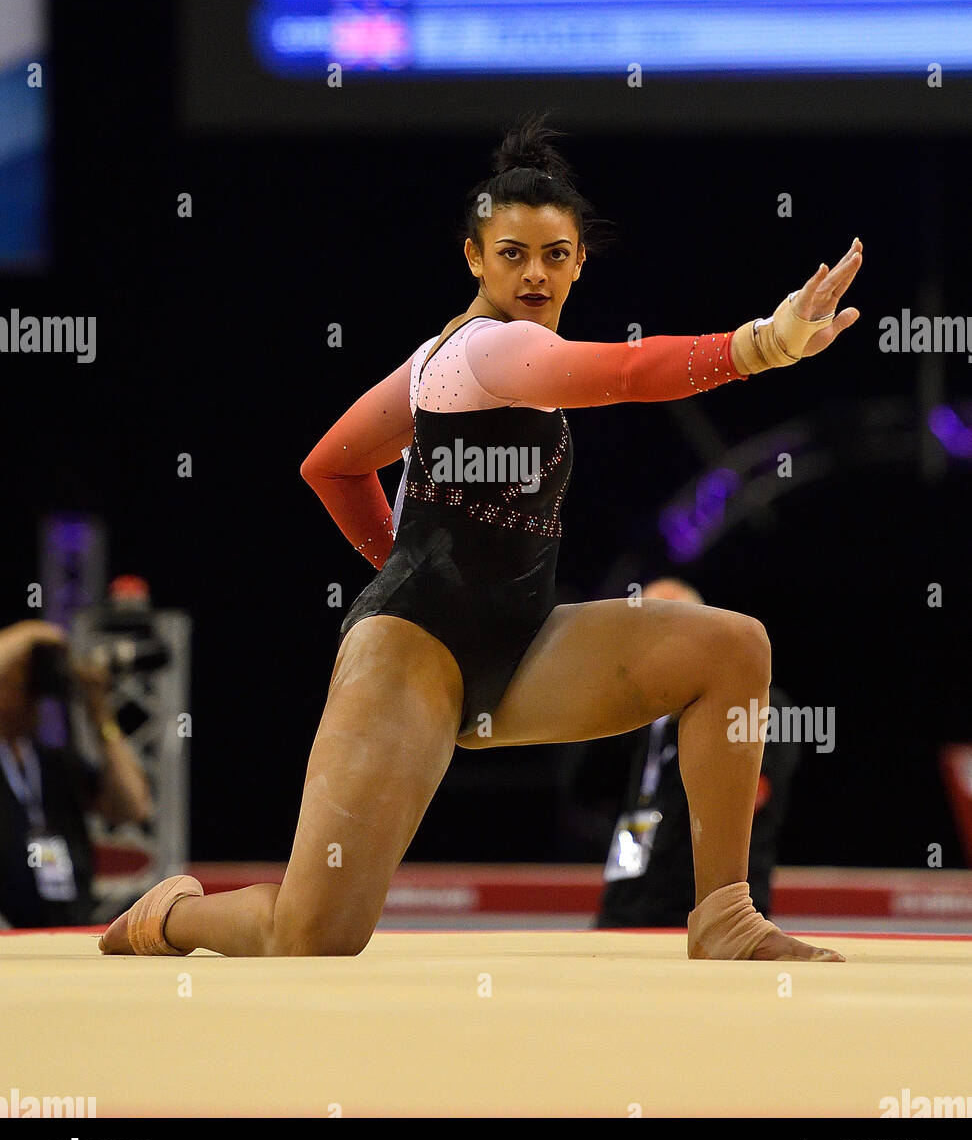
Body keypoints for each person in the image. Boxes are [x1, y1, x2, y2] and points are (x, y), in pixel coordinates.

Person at [100, 116, 862, 962]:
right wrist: (767, 344)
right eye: (511, 253)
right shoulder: (493, 352)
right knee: (312, 937)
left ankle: (724, 915)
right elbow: (626, 373)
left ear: (579, 259)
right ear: (474, 257)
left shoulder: (433, 361)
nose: (535, 273)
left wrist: (395, 555)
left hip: (521, 643)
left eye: (557, 254)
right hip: (412, 654)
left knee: (731, 648)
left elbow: (334, 465)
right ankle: (168, 916)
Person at [566, 579, 799, 928]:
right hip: (625, 904)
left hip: (707, 912)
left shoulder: (764, 709)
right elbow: (583, 790)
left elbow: (745, 799)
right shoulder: (632, 714)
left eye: (666, 634)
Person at [0, 620, 153, 928]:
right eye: (18, 682)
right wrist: (33, 632)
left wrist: (100, 714)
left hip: (68, 927)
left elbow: (133, 805)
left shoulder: (54, 763)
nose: (32, 695)